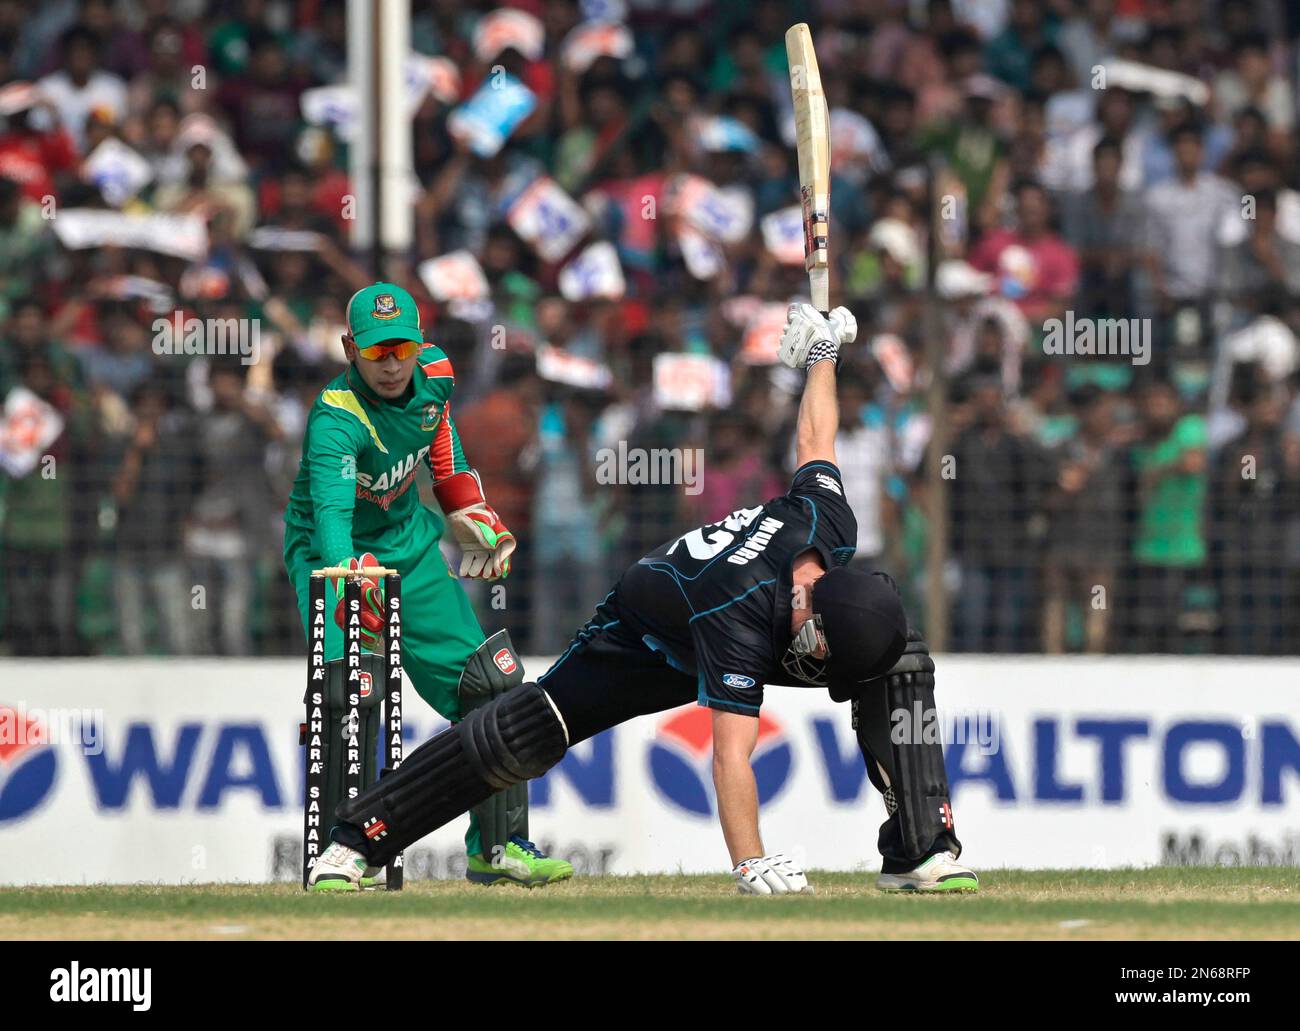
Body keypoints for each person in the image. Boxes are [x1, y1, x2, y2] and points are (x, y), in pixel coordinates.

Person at [309, 304, 979, 895]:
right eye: (822, 649)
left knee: (901, 656)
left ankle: (920, 852)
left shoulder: (830, 524)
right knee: (524, 733)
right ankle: (357, 840)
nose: (819, 663)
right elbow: (729, 756)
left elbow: (814, 441)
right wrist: (751, 862)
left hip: (746, 611)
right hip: (643, 633)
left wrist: (824, 357)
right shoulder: (739, 612)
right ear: (808, 607)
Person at [283, 282, 571, 889]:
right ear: (348, 349)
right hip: (331, 557)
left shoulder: (436, 373)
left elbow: (445, 452)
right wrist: (345, 574)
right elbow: (333, 517)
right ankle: (343, 856)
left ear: (419, 345)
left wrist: (472, 513)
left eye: (401, 349)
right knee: (350, 701)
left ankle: (498, 847)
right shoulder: (338, 416)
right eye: (376, 352)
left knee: (493, 685)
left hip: (408, 547)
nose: (391, 365)